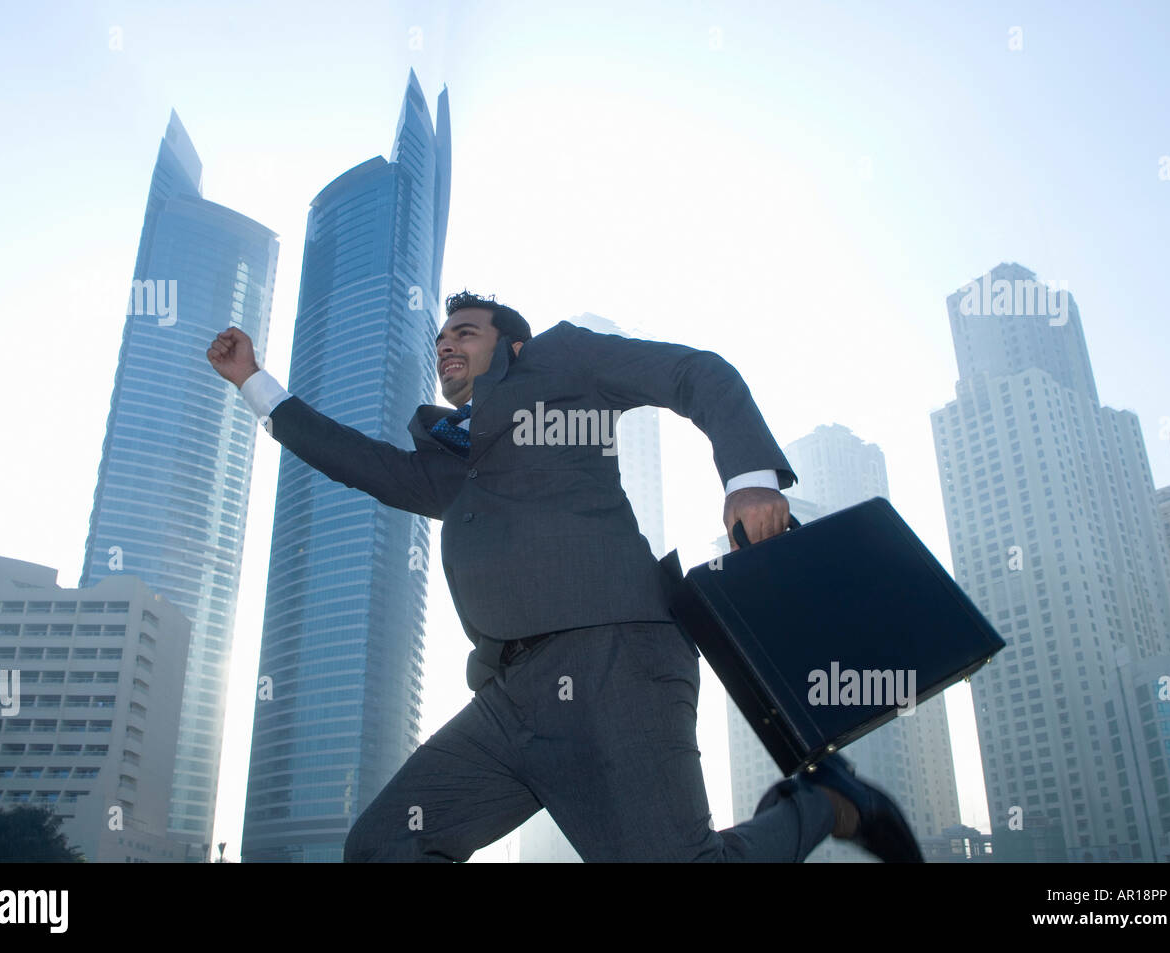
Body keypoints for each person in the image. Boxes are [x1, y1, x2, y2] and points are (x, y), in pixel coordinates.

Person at [207, 290, 922, 862]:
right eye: (441, 339)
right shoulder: (450, 465)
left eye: (465, 331)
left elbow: (694, 372)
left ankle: (823, 802)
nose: (446, 344)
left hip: (614, 657)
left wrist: (750, 477)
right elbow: (353, 459)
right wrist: (252, 380)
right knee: (384, 843)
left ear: (510, 345)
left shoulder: (560, 360)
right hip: (507, 699)